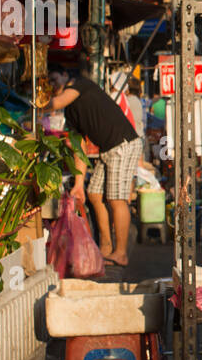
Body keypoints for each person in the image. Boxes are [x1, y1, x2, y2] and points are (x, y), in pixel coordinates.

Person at [48, 57, 143, 267]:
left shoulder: (80, 84)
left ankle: (121, 253)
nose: (53, 86)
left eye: (54, 80)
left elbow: (58, 101)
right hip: (108, 150)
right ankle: (106, 248)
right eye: (49, 83)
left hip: (123, 144)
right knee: (94, 193)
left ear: (65, 76)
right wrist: (79, 184)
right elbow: (79, 148)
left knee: (116, 199)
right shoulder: (70, 113)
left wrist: (39, 104)